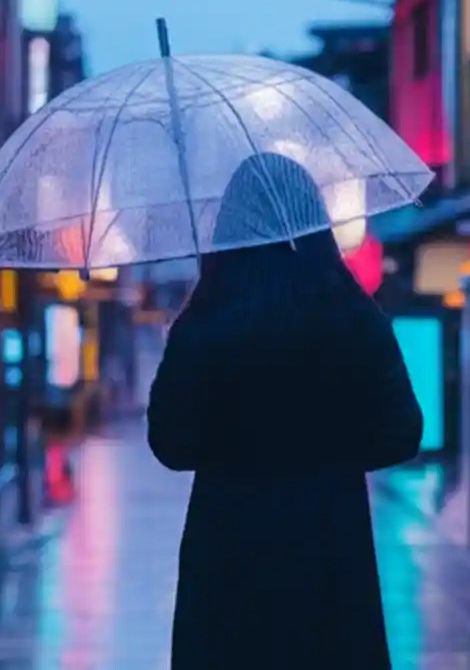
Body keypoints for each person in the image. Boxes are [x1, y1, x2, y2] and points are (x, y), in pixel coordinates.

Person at [147, 152, 424, 669]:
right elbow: (402, 432)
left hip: (227, 557)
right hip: (330, 550)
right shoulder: (352, 317)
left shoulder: (205, 325)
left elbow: (170, 443)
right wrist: (327, 450)